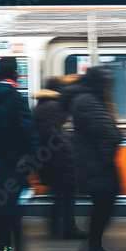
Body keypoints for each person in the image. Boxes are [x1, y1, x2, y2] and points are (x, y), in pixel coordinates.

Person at [0, 57, 38, 251]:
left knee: (1, 213)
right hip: (11, 166)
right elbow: (27, 132)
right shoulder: (15, 98)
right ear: (15, 73)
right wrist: (35, 158)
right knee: (8, 213)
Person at [72, 65, 123, 251]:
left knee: (102, 209)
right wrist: (107, 157)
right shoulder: (88, 101)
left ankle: (96, 248)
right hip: (97, 167)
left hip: (95, 165)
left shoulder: (91, 100)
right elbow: (108, 133)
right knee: (102, 209)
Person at [32, 76, 87, 240]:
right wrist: (68, 148)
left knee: (58, 191)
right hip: (58, 158)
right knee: (68, 190)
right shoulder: (54, 106)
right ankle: (69, 227)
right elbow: (54, 134)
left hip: (47, 157)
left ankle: (55, 224)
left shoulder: (40, 105)